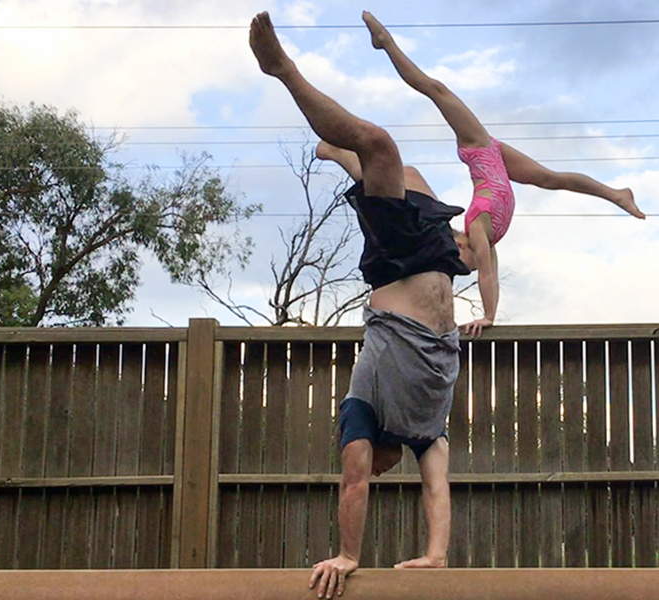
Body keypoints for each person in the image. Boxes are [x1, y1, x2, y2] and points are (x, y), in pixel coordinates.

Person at [249, 12, 460, 600]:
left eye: (379, 467)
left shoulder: (361, 410)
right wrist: (435, 556)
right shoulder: (424, 432)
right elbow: (437, 490)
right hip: (424, 270)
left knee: (387, 155)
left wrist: (347, 554)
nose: (381, 469)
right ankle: (308, 112)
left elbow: (353, 482)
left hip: (400, 267)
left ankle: (306, 108)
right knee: (392, 159)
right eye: (387, 467)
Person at [359, 11, 647, 338]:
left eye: (462, 256)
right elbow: (489, 274)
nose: (463, 256)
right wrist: (489, 316)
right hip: (495, 159)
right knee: (550, 179)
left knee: (438, 91)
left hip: (479, 148)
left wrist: (488, 314)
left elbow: (485, 275)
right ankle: (616, 194)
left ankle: (386, 43)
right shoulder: (487, 238)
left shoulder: (474, 225)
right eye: (465, 260)